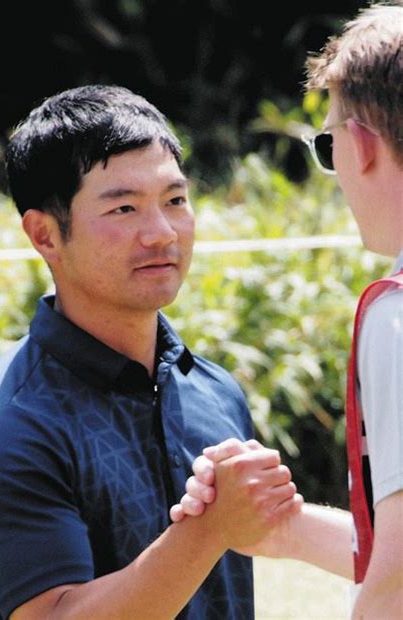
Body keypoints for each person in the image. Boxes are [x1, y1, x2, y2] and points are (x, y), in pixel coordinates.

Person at [0, 84, 302, 619]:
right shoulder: (5, 429)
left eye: (175, 201)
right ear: (44, 235)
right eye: (125, 208)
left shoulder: (215, 391)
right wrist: (208, 529)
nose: (161, 233)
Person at [170, 3, 403, 619]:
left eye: (328, 144)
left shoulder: (395, 314)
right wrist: (290, 530)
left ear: (361, 145)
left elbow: (400, 573)